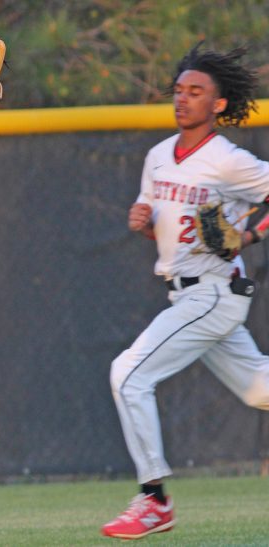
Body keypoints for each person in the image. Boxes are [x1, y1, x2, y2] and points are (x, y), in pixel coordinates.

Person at [102, 43, 269, 540]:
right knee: (260, 390)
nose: (184, 99)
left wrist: (253, 233)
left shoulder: (228, 160)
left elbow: (242, 225)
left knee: (127, 373)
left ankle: (154, 500)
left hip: (215, 292)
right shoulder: (157, 157)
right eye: (179, 91)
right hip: (183, 292)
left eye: (196, 92)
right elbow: (161, 226)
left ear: (218, 104)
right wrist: (144, 223)